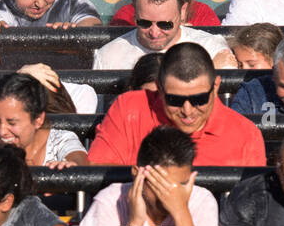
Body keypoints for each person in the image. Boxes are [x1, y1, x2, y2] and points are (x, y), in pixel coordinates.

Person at [87, 43, 265, 167]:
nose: (187, 111)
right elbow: (100, 172)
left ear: (216, 86)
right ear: (159, 88)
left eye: (199, 99)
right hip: (135, 220)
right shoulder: (129, 107)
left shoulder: (245, 135)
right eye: (175, 100)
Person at [72, 126, 218, 226]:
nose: (171, 195)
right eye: (159, 185)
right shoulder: (110, 200)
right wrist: (134, 224)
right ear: (137, 174)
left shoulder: (202, 201)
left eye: (181, 185)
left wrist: (181, 212)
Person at [93, 0, 235, 69]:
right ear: (134, 12)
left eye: (165, 24)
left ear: (183, 12)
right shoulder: (108, 56)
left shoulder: (212, 49)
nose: (154, 32)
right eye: (144, 23)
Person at [0, 73, 89, 166]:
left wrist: (70, 167)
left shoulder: (61, 140)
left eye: (11, 122)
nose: (2, 131)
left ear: (38, 119)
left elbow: (79, 161)